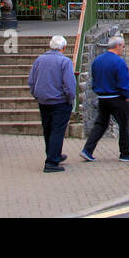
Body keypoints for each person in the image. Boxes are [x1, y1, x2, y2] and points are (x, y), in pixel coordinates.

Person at [80, 35, 129, 163]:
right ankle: (126, 153)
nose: (123, 49)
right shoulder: (118, 61)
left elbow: (94, 79)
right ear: (117, 46)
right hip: (117, 97)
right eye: (123, 46)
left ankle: (87, 150)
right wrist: (127, 95)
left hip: (102, 97)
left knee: (100, 124)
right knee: (124, 125)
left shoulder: (97, 60)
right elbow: (124, 81)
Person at [27, 35, 76, 173]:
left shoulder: (39, 60)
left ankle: (53, 154)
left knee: (48, 129)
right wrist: (70, 99)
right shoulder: (65, 62)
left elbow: (31, 80)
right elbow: (69, 85)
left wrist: (36, 94)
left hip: (43, 101)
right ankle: (52, 161)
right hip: (59, 101)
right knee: (57, 131)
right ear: (64, 48)